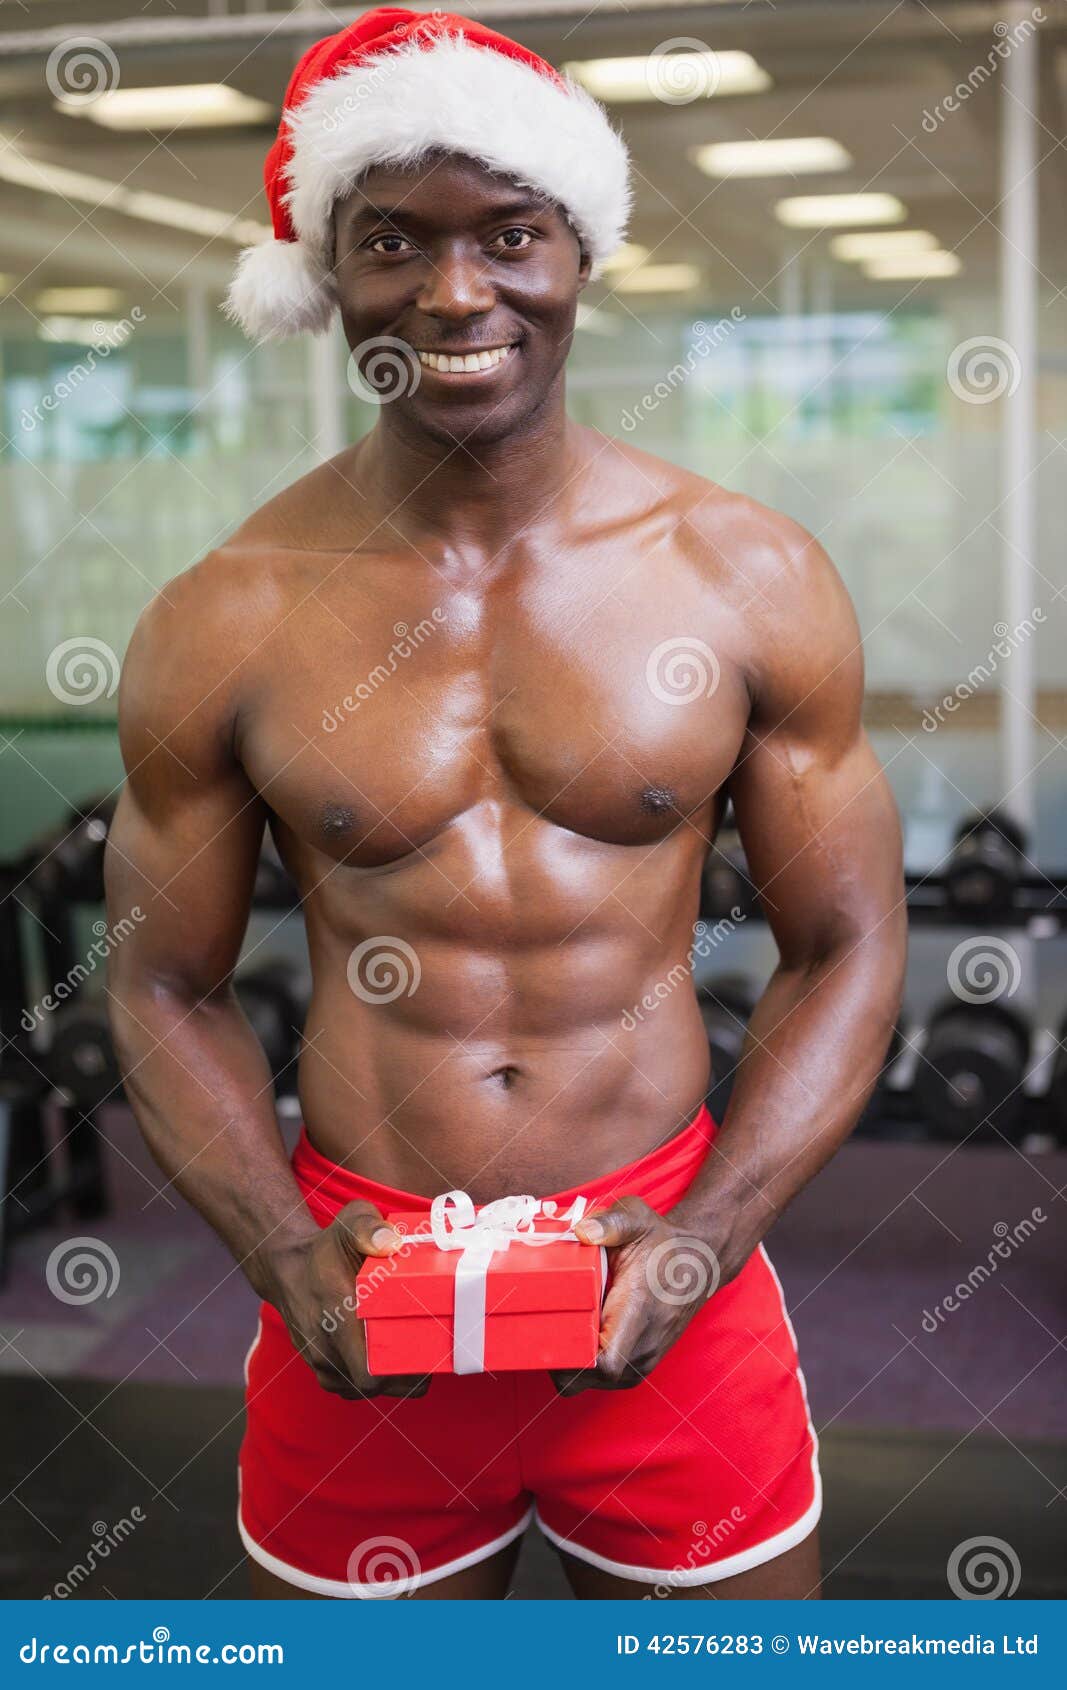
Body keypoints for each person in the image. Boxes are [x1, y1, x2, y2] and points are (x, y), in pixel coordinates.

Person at [106, 8, 906, 1601]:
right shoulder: (230, 613)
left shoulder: (742, 571)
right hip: (360, 1273)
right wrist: (280, 1256)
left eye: (509, 234)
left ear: (580, 255)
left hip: (667, 1252)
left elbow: (850, 944)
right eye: (394, 238)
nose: (456, 291)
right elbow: (154, 977)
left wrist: (705, 1238)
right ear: (329, 273)